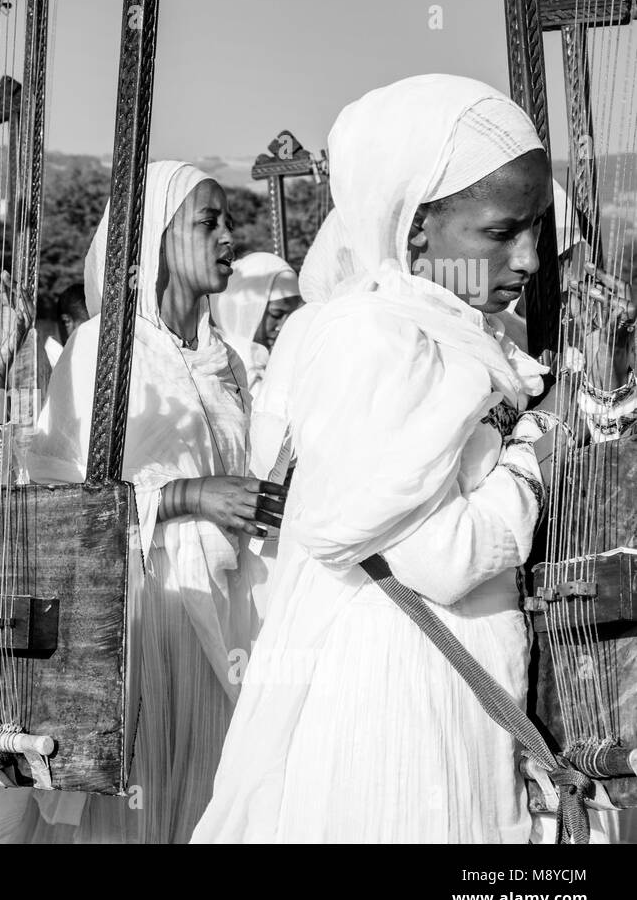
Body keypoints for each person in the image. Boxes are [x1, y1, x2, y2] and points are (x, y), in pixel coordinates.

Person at [194, 74, 561, 844]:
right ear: (417, 226)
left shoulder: (463, 333)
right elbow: (448, 556)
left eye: (538, 229)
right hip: (394, 701)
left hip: (453, 684)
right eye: (501, 233)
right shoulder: (376, 338)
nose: (528, 258)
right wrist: (537, 450)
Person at [21, 161, 285, 843]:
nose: (229, 236)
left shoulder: (225, 358)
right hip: (140, 621)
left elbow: (240, 474)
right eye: (209, 222)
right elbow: (58, 497)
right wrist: (187, 497)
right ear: (155, 243)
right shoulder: (100, 351)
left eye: (230, 221)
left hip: (220, 613)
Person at [211, 251, 302, 391]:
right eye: (276, 314)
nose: (284, 326)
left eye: (292, 316)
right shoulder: (218, 365)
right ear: (248, 311)